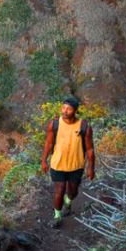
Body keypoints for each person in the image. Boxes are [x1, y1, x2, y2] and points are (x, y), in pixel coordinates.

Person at [41, 96, 95, 228]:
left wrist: (91, 167)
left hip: (76, 166)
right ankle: (57, 216)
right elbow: (48, 143)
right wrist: (44, 160)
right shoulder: (54, 124)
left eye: (69, 109)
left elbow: (89, 149)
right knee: (59, 190)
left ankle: (68, 201)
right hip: (57, 164)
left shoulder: (84, 126)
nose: (65, 111)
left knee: (73, 191)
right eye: (63, 108)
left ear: (75, 111)